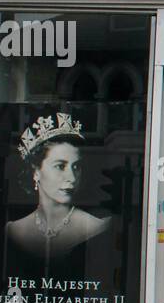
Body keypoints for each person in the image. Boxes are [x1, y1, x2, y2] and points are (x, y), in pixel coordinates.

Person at [6, 111, 110, 266]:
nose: (72, 178)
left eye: (76, 167)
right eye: (60, 166)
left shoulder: (97, 227)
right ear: (36, 172)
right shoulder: (13, 230)